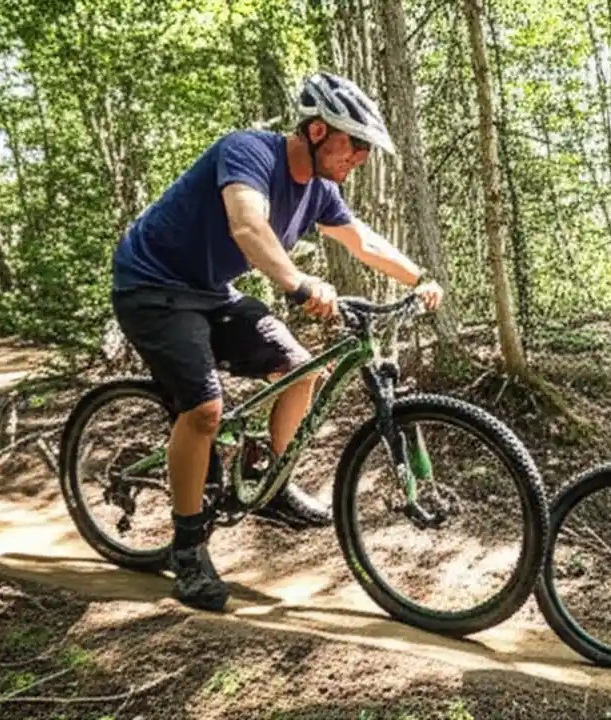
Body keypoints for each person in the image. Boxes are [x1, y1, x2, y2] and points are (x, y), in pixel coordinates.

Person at [110, 71, 444, 612]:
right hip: (151, 288)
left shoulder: (320, 190)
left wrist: (418, 277)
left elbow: (362, 239)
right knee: (204, 411)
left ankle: (271, 484)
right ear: (316, 131)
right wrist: (299, 282)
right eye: (353, 144)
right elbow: (248, 226)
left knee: (300, 370)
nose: (359, 157)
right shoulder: (248, 153)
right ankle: (188, 548)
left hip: (210, 291)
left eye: (365, 149)